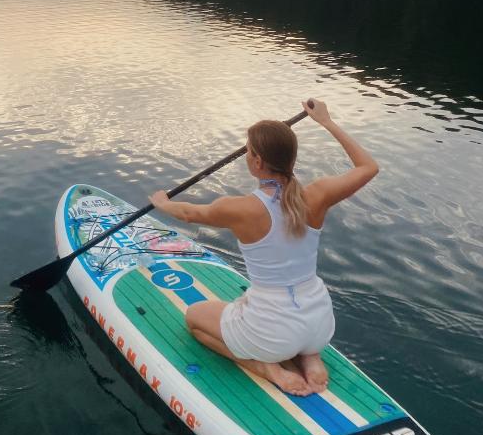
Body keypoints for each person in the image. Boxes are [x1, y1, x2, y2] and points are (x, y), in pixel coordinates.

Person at [150, 99, 379, 397]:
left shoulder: (240, 209)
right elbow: (368, 167)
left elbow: (190, 213)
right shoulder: (318, 194)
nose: (247, 155)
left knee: (195, 319)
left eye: (248, 151)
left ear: (257, 162)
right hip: (319, 322)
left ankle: (267, 369)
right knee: (281, 322)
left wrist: (163, 203)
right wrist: (327, 121)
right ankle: (311, 357)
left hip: (271, 331)